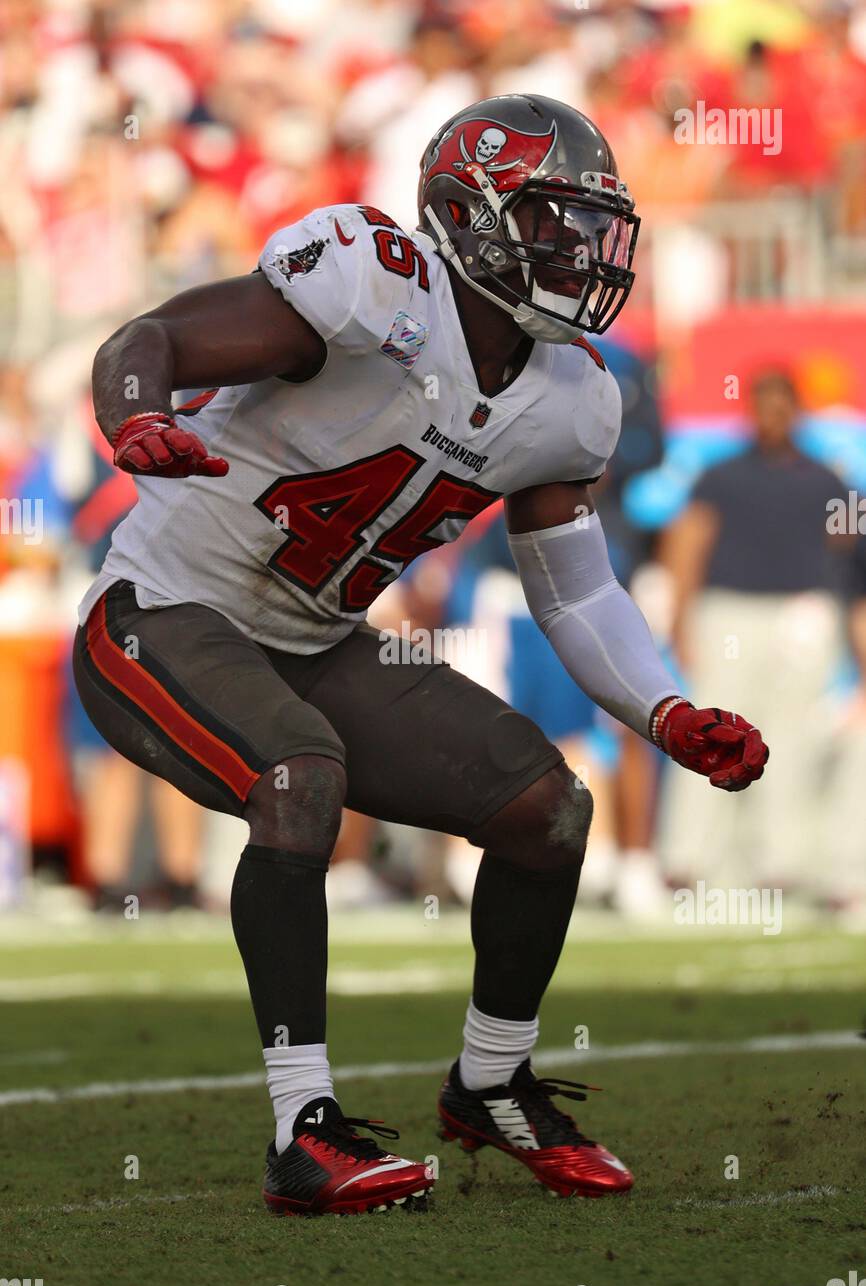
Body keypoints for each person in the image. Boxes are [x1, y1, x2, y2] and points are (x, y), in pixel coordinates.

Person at [75, 95, 768, 1216]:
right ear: (470, 214)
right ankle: (303, 1131)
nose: (579, 253)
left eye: (589, 228)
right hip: (163, 609)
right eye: (551, 220)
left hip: (315, 641)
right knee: (300, 773)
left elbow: (576, 588)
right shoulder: (368, 280)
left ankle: (489, 1081)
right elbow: (144, 341)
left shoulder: (569, 394)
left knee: (545, 808)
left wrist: (665, 709)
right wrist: (137, 418)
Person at [661, 370, 843, 890]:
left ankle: (783, 865)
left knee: (792, 739)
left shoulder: (823, 479)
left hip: (800, 617)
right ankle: (691, 862)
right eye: (765, 405)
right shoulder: (721, 476)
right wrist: (681, 621)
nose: (774, 415)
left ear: (798, 410)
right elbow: (688, 544)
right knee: (714, 735)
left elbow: (846, 555)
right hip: (728, 613)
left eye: (783, 405)